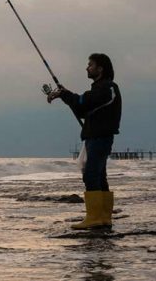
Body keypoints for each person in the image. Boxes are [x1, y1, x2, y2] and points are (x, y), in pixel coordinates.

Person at [47, 53, 122, 229]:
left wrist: (64, 94)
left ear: (100, 68)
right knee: (99, 176)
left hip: (100, 138)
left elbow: (83, 102)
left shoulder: (107, 88)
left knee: (90, 175)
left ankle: (95, 218)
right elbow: (82, 109)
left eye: (90, 65)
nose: (87, 68)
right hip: (95, 138)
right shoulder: (100, 88)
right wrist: (65, 96)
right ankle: (103, 218)